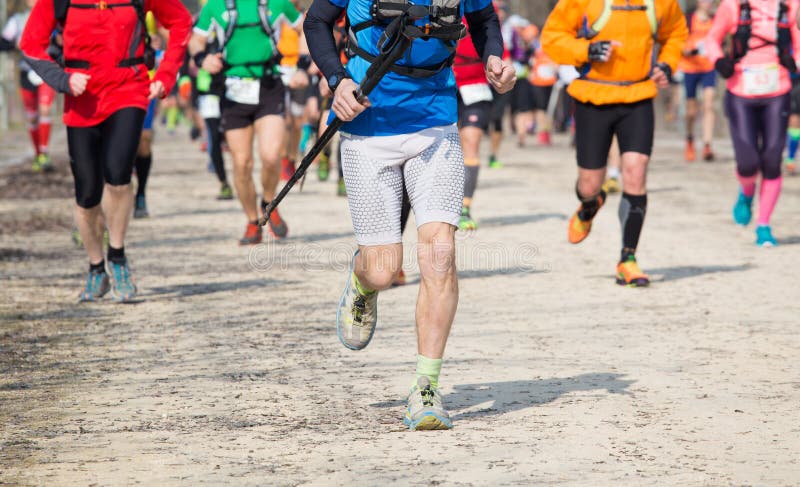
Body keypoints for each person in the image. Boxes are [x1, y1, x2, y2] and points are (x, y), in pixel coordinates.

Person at [305, 0, 514, 430]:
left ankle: (426, 386)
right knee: (383, 270)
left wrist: (494, 57)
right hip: (368, 124)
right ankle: (363, 283)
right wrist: (337, 80)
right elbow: (317, 21)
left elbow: (484, 19)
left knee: (440, 254)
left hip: (434, 123)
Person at [21, 0, 191, 302]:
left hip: (129, 90)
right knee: (87, 194)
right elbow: (30, 44)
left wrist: (166, 75)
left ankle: (117, 255)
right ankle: (96, 267)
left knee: (118, 175)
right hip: (81, 98)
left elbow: (181, 22)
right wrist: (62, 79)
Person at [542, 0, 687, 287]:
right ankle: (590, 205)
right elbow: (552, 36)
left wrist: (667, 64)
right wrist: (585, 50)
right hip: (593, 96)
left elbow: (676, 33)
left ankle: (627, 259)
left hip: (638, 96)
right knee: (589, 185)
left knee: (636, 170)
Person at [189, 0, 305, 244]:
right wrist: (202, 58)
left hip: (269, 87)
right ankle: (253, 222)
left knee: (271, 156)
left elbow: (305, 28)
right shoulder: (215, 6)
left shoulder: (277, 2)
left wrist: (302, 66)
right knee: (242, 164)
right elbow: (196, 40)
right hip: (233, 91)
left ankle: (269, 203)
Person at [705, 0, 800, 246]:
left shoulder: (790, 5)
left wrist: (796, 62)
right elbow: (712, 39)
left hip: (777, 89)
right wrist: (719, 60)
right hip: (741, 92)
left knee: (772, 160)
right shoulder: (733, 6)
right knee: (748, 163)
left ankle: (763, 225)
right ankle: (747, 192)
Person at [1, 0, 56, 173]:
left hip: (46, 70)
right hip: (26, 71)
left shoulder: (52, 16)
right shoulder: (17, 20)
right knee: (32, 116)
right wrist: (15, 45)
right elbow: (3, 42)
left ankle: (44, 152)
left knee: (45, 109)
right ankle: (38, 153)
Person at [454, 25, 494, 230]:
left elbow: (496, 47)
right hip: (442, 89)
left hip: (475, 88)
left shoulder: (480, 12)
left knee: (471, 142)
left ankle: (464, 208)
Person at [679, 0, 717, 162]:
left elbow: (720, 40)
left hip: (709, 67)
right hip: (690, 68)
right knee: (691, 111)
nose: (708, 3)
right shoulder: (688, 20)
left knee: (709, 105)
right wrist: (686, 50)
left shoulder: (715, 20)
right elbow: (677, 41)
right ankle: (689, 139)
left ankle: (707, 144)